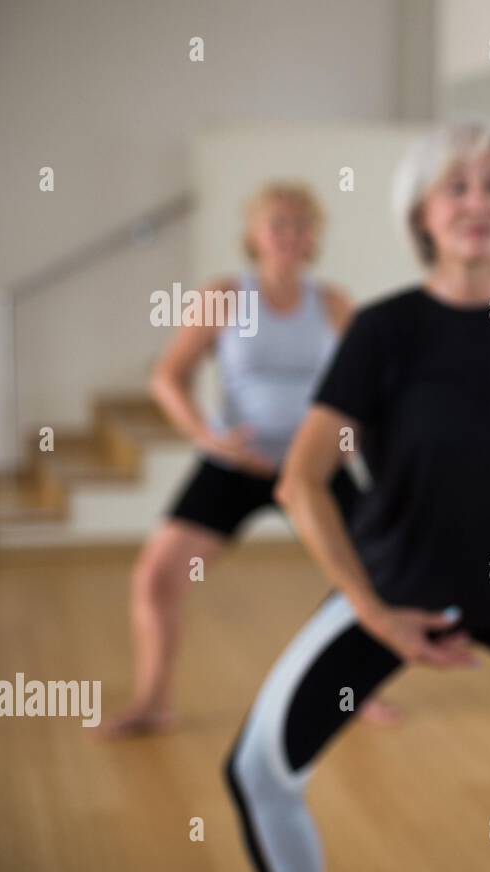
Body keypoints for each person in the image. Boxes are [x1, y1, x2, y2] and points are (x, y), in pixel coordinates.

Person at [224, 121, 490, 872]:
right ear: (422, 214)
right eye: (455, 186)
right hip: (395, 597)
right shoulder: (382, 330)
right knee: (257, 770)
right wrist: (370, 611)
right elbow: (303, 479)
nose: (477, 201)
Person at [99, 182, 389, 737]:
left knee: (368, 573)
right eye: (278, 223)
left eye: (302, 225)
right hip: (236, 466)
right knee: (157, 577)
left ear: (314, 241)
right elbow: (167, 377)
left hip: (313, 469)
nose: (290, 234)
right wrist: (207, 436)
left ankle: (353, 692)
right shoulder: (225, 297)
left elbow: (370, 388)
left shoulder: (332, 304)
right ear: (254, 235)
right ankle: (154, 701)